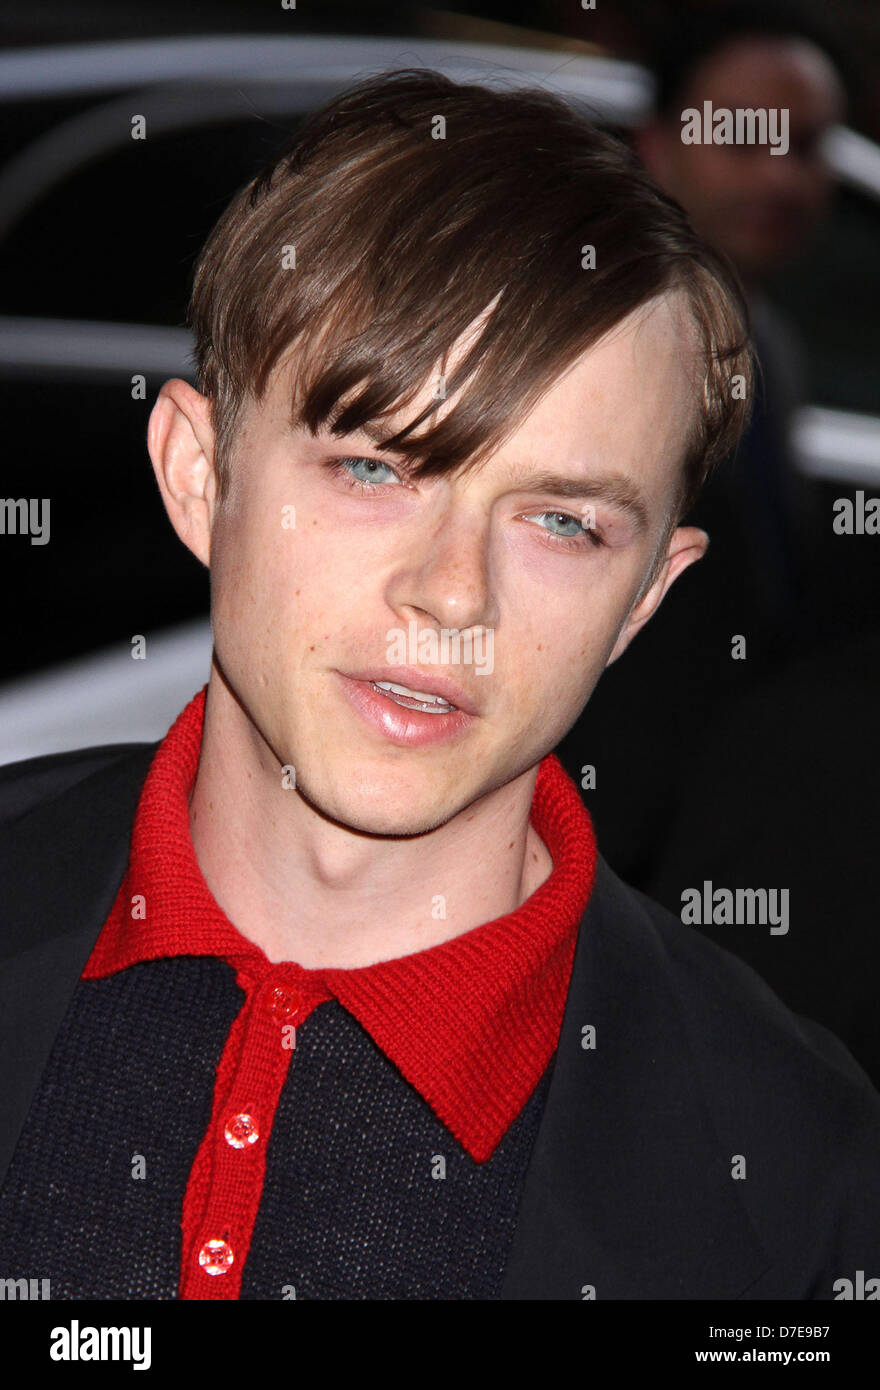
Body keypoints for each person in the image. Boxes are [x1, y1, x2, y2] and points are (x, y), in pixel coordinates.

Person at [0, 68, 877, 1301]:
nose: (452, 595)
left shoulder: (802, 1187)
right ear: (199, 476)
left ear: (645, 598)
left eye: (563, 522)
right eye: (375, 471)